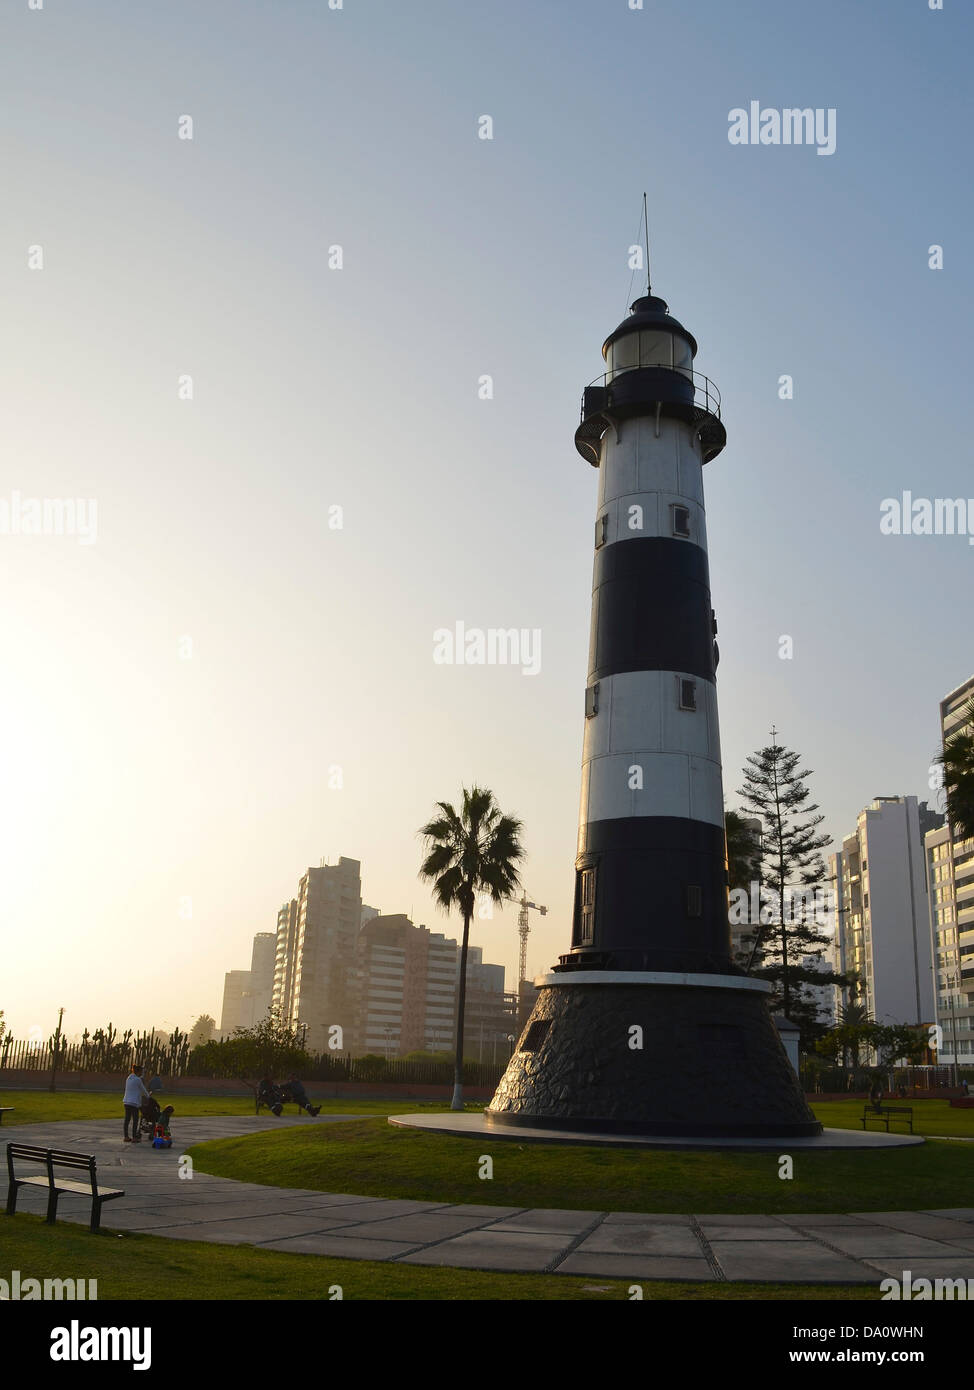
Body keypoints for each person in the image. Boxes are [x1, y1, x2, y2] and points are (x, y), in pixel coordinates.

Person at [123, 1064, 151, 1143]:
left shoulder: (129, 1078)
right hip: (134, 1103)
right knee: (135, 1120)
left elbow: (139, 1080)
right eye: (141, 1071)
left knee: (127, 1119)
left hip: (126, 1101)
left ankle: (126, 1137)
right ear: (138, 1071)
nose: (142, 1073)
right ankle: (134, 1137)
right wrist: (148, 1096)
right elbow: (143, 1089)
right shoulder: (138, 1080)